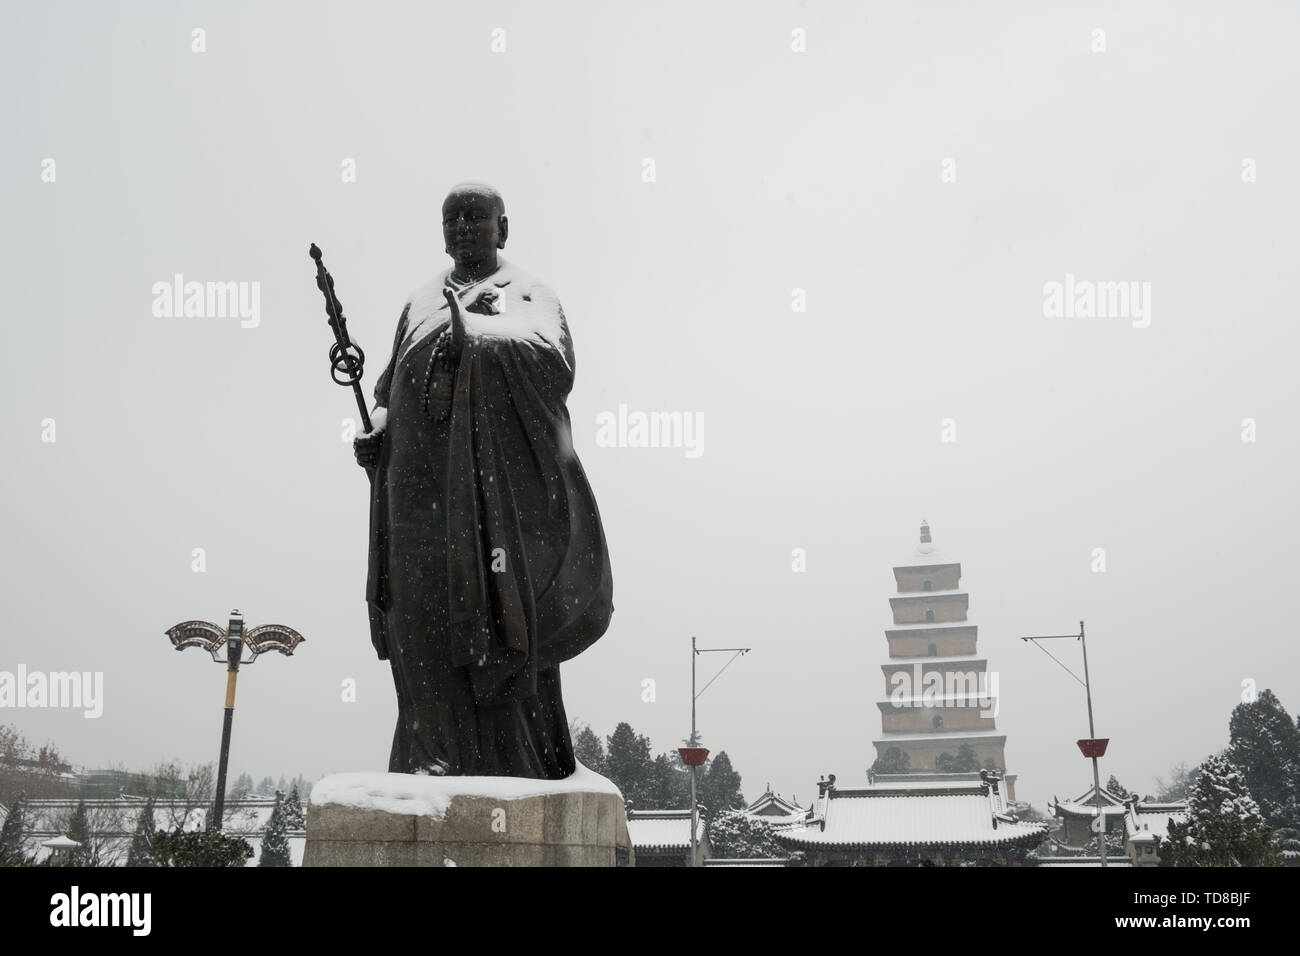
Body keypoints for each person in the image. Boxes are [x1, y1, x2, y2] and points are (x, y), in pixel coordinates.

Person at [353, 182, 613, 778]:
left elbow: (552, 359)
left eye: (476, 216)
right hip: (418, 498)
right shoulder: (420, 302)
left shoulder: (525, 291)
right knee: (419, 623)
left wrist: (475, 338)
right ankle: (428, 755)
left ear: (503, 226)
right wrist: (379, 433)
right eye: (452, 219)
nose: (463, 227)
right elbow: (391, 388)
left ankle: (509, 760)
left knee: (496, 619)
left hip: (491, 497)